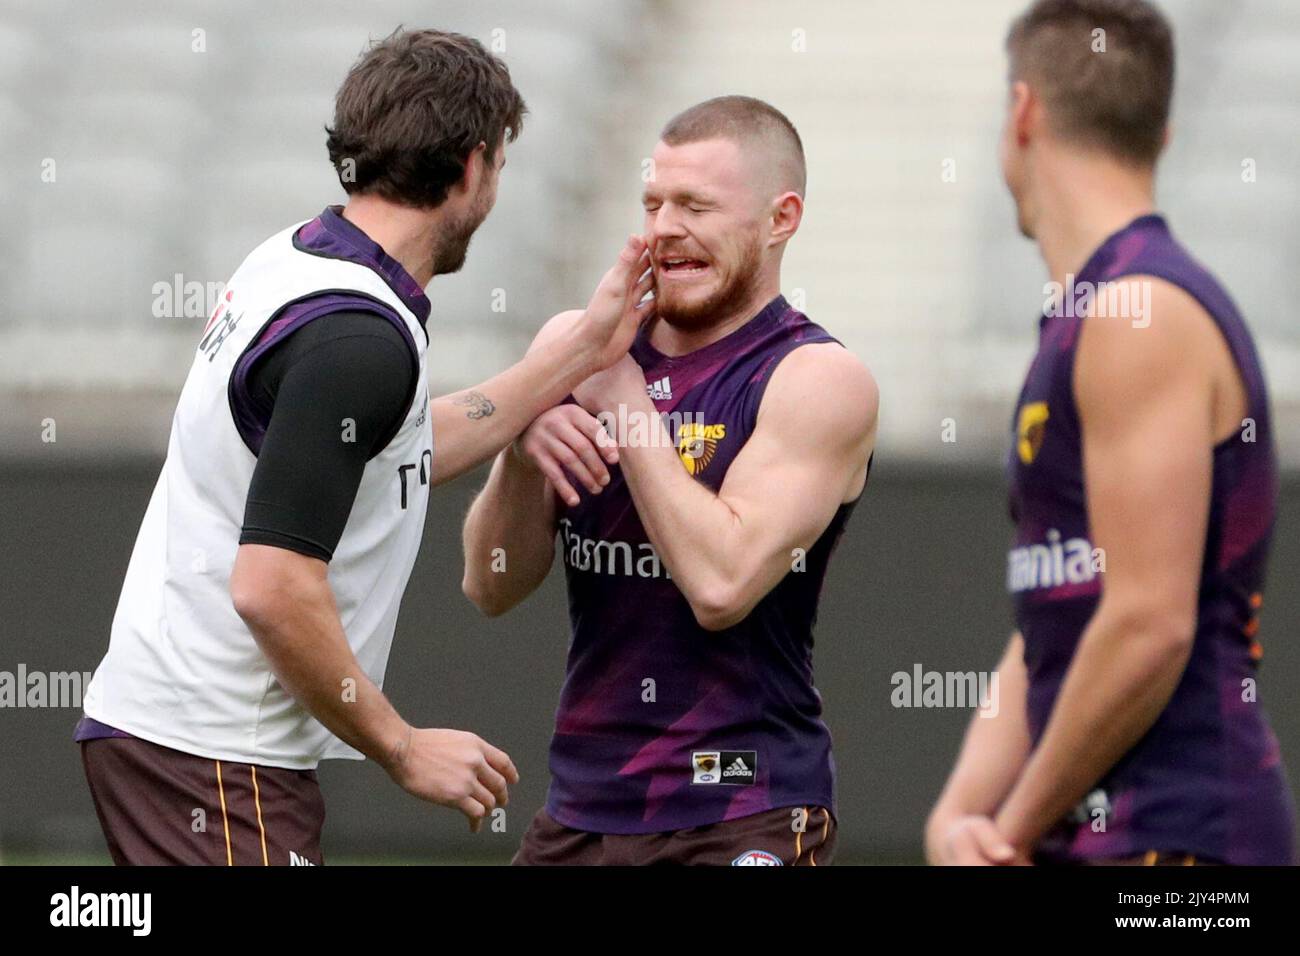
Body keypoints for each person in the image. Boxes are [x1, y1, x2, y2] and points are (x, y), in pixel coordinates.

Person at [77, 28, 653, 865]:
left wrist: (575, 352)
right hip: (214, 757)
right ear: (472, 166)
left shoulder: (299, 258)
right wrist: (402, 747)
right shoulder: (358, 339)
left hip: (173, 739)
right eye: (498, 166)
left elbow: (396, 448)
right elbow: (272, 587)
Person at [463, 95, 878, 866]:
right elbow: (491, 585)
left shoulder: (817, 377)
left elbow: (721, 586)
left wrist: (618, 394)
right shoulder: (576, 344)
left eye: (696, 205)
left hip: (743, 805)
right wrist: (521, 454)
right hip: (584, 805)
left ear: (780, 219)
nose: (664, 228)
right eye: (652, 202)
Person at [926, 0, 1294, 866]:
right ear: (1161, 135)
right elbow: (1060, 606)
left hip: (1180, 843)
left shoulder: (1137, 313)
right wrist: (958, 814)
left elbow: (1147, 624)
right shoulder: (1090, 312)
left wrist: (1006, 827)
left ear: (1023, 112)